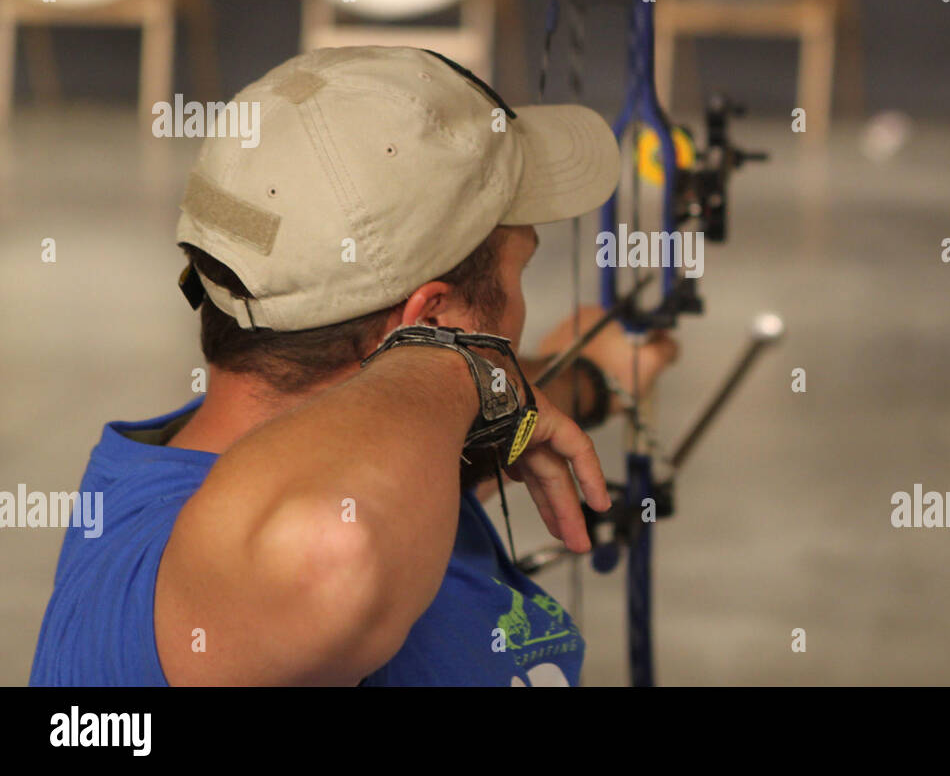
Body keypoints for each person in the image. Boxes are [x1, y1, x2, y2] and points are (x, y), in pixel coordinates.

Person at [29, 46, 677, 686]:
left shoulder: (369, 452)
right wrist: (468, 371)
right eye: (522, 268)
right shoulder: (200, 569)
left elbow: (406, 436)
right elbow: (334, 552)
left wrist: (589, 379)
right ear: (433, 323)